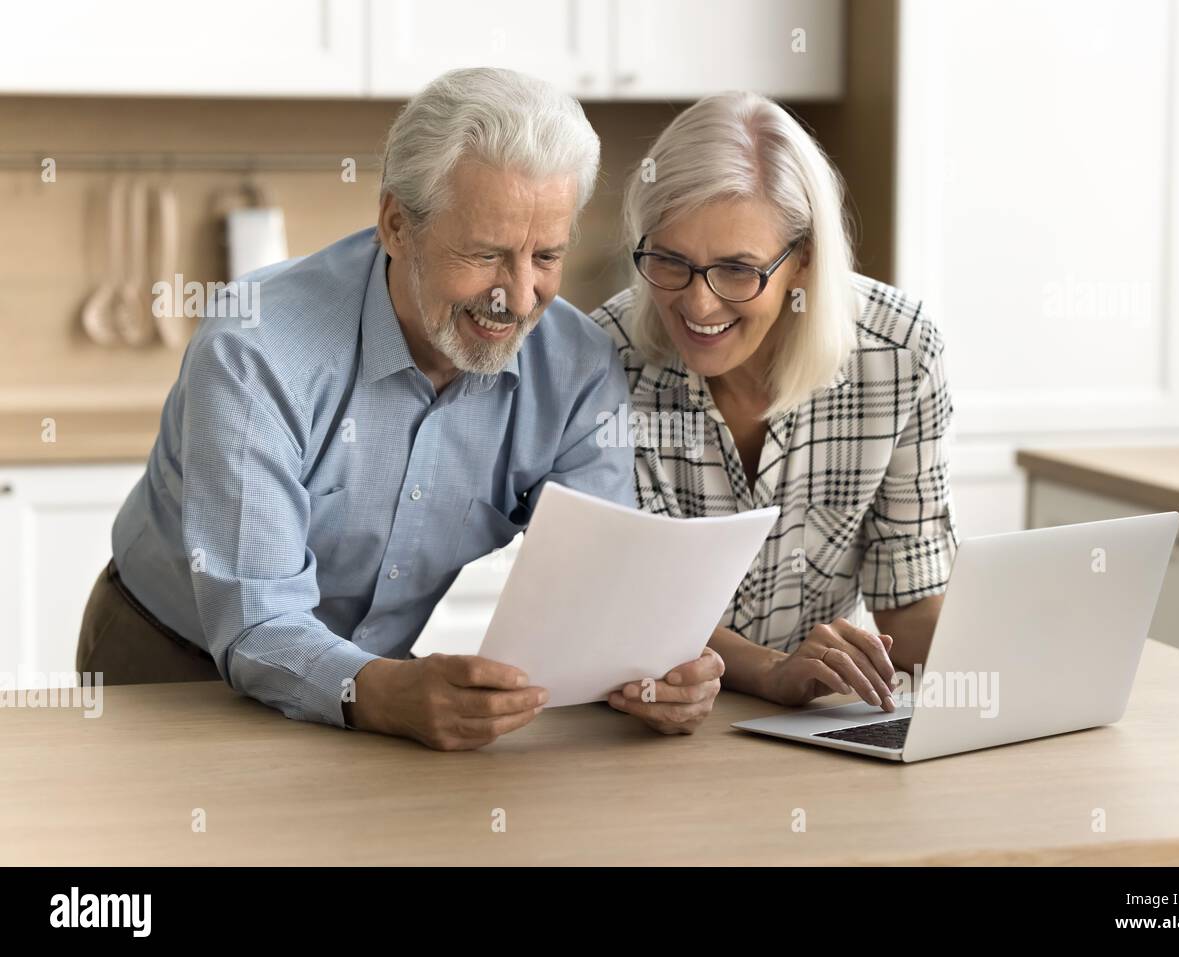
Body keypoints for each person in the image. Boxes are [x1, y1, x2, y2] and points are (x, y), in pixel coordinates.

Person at [77, 68, 723, 750]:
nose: (520, 295)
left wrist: (656, 672)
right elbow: (257, 624)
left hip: (375, 688)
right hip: (173, 665)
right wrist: (382, 691)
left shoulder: (576, 368)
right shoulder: (257, 352)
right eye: (486, 254)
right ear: (396, 225)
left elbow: (603, 589)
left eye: (547, 255)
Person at [593, 91, 959, 719]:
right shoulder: (605, 360)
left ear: (804, 262)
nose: (699, 306)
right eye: (671, 262)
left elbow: (909, 596)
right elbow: (635, 605)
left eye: (738, 270)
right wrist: (771, 673)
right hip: (651, 722)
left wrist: (1005, 659)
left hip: (812, 724)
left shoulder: (899, 353)